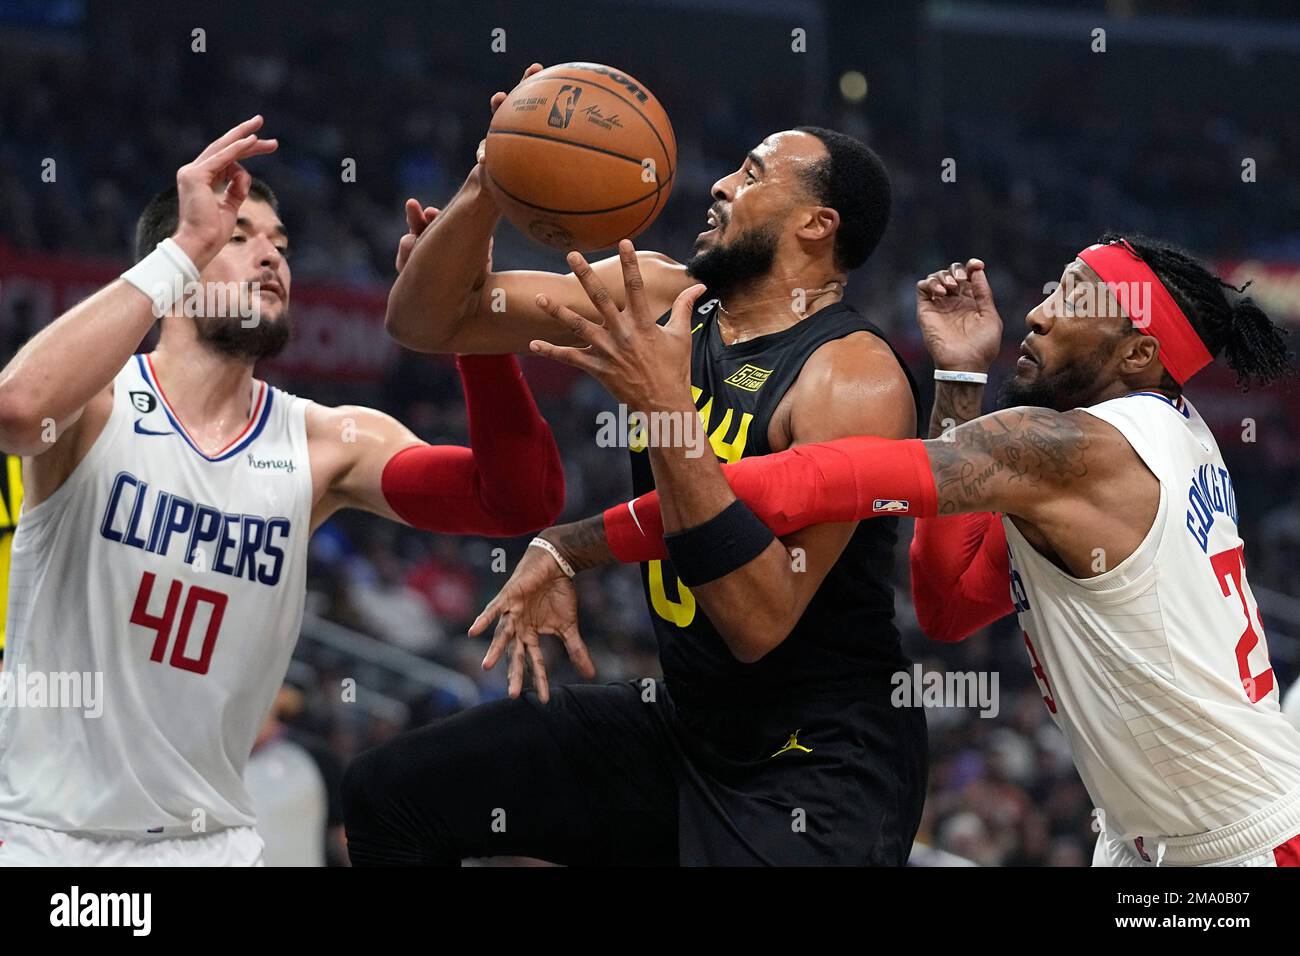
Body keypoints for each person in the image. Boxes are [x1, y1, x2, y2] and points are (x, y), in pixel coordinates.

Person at [526, 234, 1300, 867]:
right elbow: (951, 600)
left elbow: (796, 485)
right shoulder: (1166, 434)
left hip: (1239, 848)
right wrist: (959, 376)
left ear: (1137, 355)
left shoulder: (1065, 447)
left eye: (1073, 296)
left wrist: (575, 545)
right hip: (1160, 837)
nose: (1036, 312)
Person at [343, 66, 926, 866]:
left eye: (752, 173)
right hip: (689, 726)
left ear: (817, 225)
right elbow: (426, 320)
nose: (719, 185)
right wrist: (492, 180)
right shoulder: (661, 294)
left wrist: (664, 403)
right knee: (392, 795)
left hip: (815, 766)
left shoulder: (853, 379)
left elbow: (758, 623)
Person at [0, 116, 564, 866]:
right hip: (48, 840)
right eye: (238, 237)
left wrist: (468, 321)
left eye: (282, 245)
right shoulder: (96, 405)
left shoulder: (324, 442)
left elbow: (517, 501)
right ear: (175, 264)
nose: (270, 255)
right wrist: (185, 247)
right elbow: (16, 410)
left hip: (214, 845)